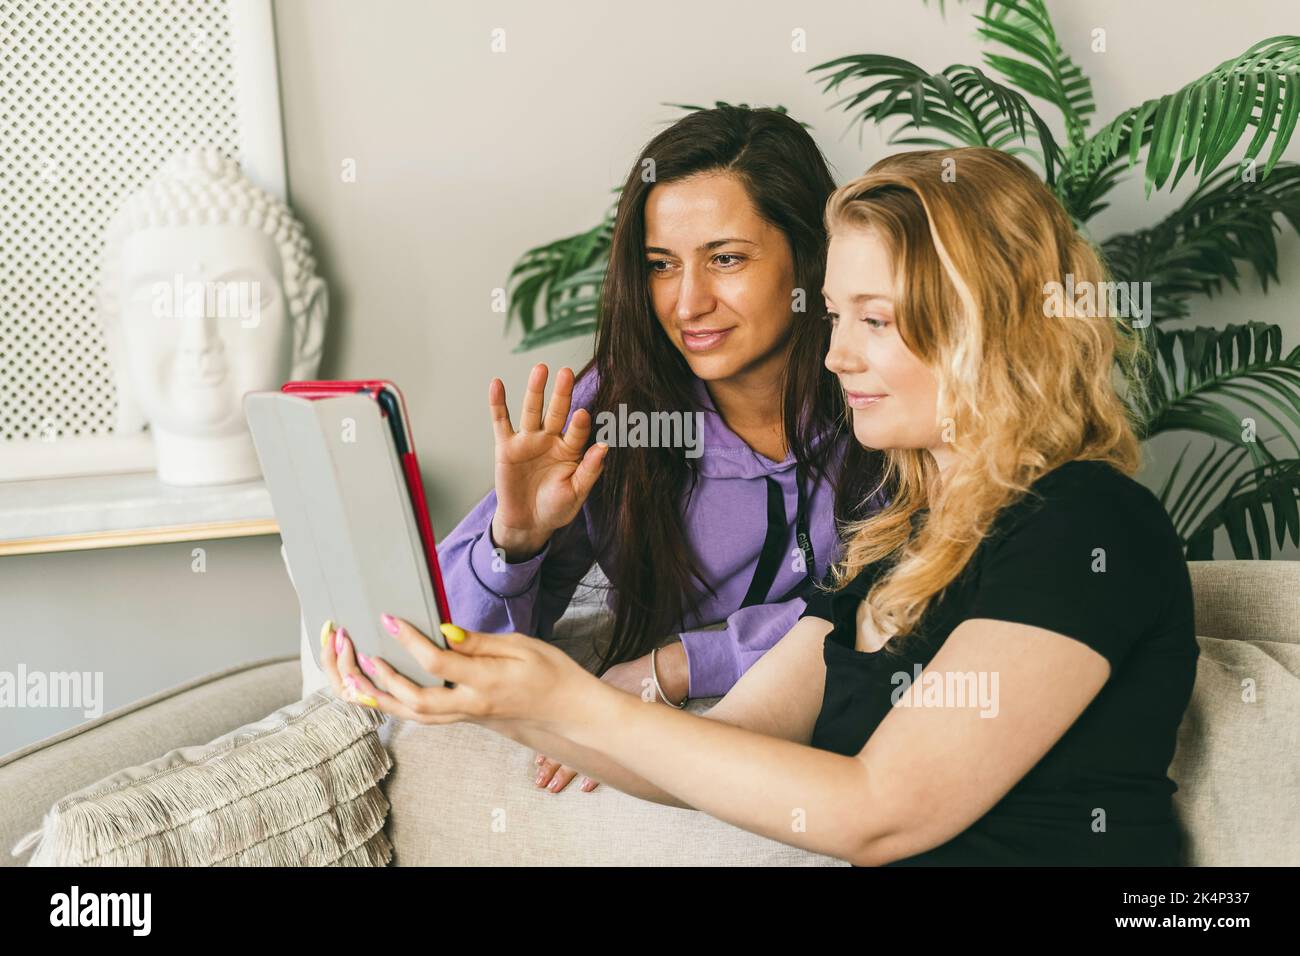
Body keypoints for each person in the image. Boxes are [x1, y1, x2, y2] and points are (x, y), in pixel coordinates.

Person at [322, 146, 1199, 866]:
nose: (834, 357)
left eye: (877, 322)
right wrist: (495, 697)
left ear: (994, 326)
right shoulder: (903, 546)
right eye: (838, 318)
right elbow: (706, 756)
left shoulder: (1087, 522)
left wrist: (582, 702)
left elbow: (877, 812)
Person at [433, 106, 874, 792]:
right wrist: (515, 540)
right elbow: (456, 654)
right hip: (665, 728)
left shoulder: (878, 391)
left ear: (808, 259)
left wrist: (683, 664)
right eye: (662, 266)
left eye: (726, 259)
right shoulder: (615, 411)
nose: (688, 303)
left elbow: (902, 601)